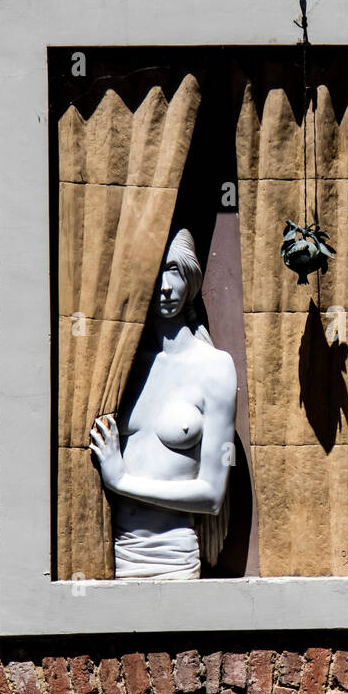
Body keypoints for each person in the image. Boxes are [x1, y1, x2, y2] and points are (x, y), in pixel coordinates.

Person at [88, 228, 237, 579]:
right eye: (155, 272)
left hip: (174, 559)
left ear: (191, 277)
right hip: (115, 556)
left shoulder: (214, 368)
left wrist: (121, 481)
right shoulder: (118, 371)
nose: (165, 286)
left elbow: (212, 495)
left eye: (174, 270)